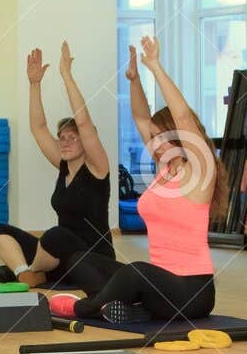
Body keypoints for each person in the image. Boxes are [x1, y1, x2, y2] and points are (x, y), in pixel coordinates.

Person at [48, 37, 221, 324]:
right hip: (159, 286)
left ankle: (86, 309)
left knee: (137, 271)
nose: (156, 144)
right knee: (81, 260)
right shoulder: (164, 169)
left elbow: (182, 117)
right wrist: (134, 80)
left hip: (191, 292)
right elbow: (141, 117)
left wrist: (155, 66)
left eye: (164, 137)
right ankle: (126, 307)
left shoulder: (200, 172)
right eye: (153, 138)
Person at [0, 42, 112, 288]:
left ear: (87, 141)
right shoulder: (63, 165)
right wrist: (34, 84)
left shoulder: (98, 168)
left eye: (72, 138)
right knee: (0, 230)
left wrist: (66, 75)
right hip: (58, 255)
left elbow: (84, 122)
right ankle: (25, 274)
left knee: (55, 235)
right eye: (61, 138)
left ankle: (32, 271)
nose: (64, 142)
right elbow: (38, 128)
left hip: (91, 259)